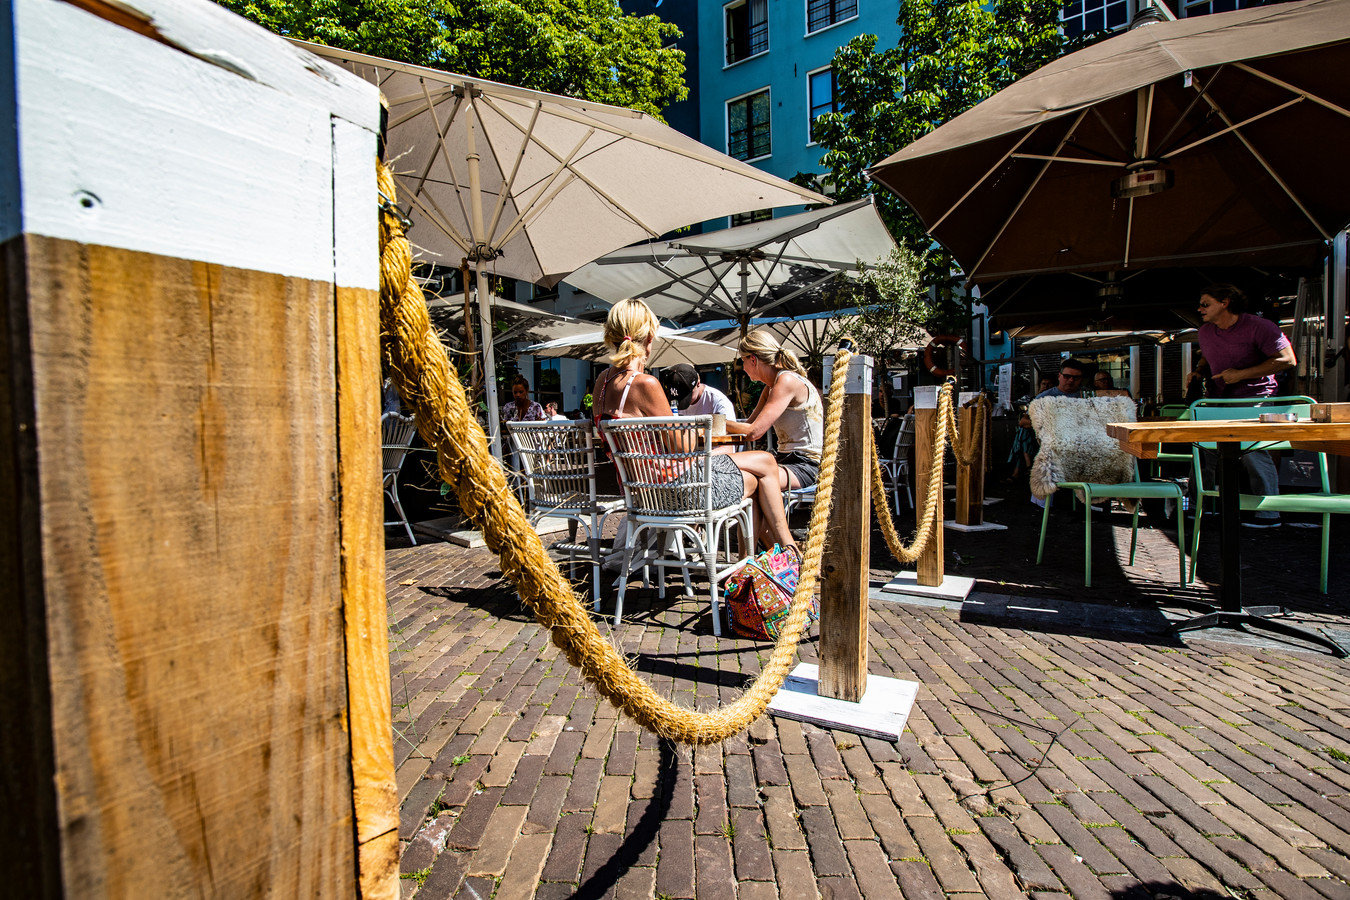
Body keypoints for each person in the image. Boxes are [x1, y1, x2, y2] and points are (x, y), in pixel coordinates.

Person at [591, 299, 757, 512]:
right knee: (757, 476)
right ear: (649, 338)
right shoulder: (646, 384)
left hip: (638, 492)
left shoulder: (602, 382)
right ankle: (777, 536)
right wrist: (695, 429)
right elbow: (682, 447)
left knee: (761, 463)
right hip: (674, 492)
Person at [1196, 283, 1297, 527]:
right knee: (1203, 451)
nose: (1200, 309)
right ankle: (1200, 509)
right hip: (1216, 397)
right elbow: (1207, 356)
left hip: (1253, 396)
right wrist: (1198, 371)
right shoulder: (1205, 331)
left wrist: (1241, 374)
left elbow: (1288, 359)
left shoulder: (1260, 326)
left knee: (1252, 450)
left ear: (1225, 302)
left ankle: (1269, 513)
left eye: (1205, 304)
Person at [722, 330, 824, 551]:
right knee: (752, 482)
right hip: (788, 461)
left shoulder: (786, 381)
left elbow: (753, 432)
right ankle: (760, 557)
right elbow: (748, 426)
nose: (742, 367)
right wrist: (720, 428)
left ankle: (779, 552)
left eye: (742, 361)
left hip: (807, 465)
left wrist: (715, 422)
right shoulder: (772, 386)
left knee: (756, 479)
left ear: (753, 359)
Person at [658, 364, 737, 419]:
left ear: (698, 383)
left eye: (686, 396)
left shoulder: (718, 401)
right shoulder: (669, 401)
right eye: (677, 398)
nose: (680, 402)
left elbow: (732, 434)